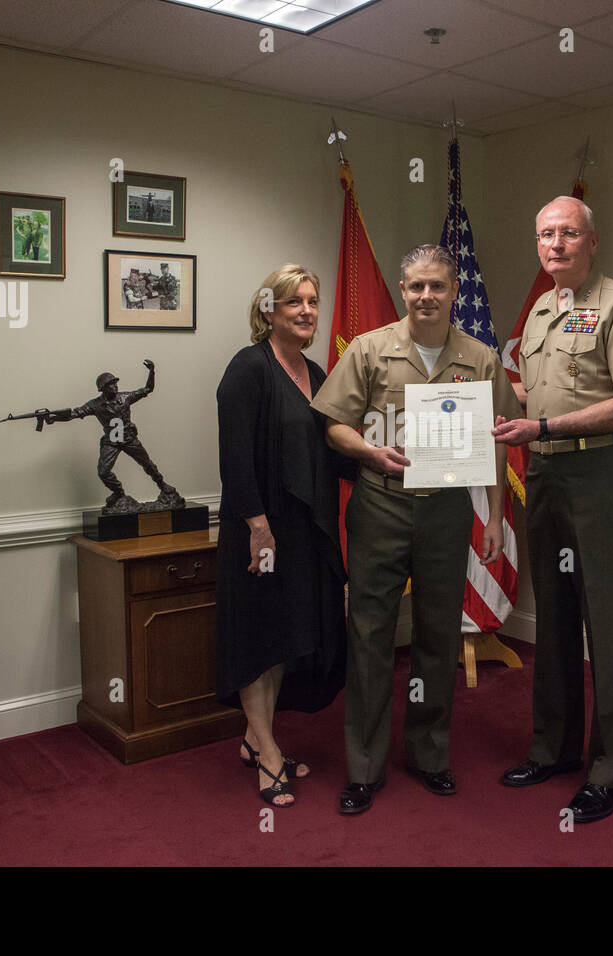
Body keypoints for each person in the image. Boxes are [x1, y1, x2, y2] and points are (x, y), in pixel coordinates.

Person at [310, 243, 521, 815]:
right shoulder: (370, 349)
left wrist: (496, 515)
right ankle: (364, 768)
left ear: (454, 292)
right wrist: (371, 452)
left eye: (437, 286)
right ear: (403, 291)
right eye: (415, 287)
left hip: (448, 510)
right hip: (381, 506)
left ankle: (430, 755)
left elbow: (498, 439)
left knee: (436, 637)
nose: (426, 296)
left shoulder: (479, 357)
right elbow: (333, 425)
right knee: (371, 636)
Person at [492, 196, 613, 824]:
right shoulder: (537, 311)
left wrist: (547, 425)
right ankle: (554, 749)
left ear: (593, 241)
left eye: (567, 233)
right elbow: (528, 394)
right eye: (544, 235)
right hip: (547, 471)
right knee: (554, 614)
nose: (554, 244)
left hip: (600, 470)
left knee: (609, 621)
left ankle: (610, 770)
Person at [215, 264, 350, 807]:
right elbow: (234, 456)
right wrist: (257, 526)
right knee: (258, 638)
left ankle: (257, 738)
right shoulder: (247, 369)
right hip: (260, 530)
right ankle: (269, 755)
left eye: (313, 302)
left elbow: (328, 449)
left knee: (280, 642)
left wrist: (389, 460)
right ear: (268, 309)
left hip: (303, 531)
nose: (307, 311)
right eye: (294, 301)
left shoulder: (316, 374)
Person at [43, 361, 179, 511]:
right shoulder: (95, 404)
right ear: (103, 388)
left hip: (129, 439)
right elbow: (75, 413)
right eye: (111, 384)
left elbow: (147, 389)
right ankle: (118, 492)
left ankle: (162, 485)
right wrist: (54, 418)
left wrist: (151, 371)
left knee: (147, 464)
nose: (115, 386)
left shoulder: (126, 397)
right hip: (112, 441)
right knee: (103, 472)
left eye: (115, 383)